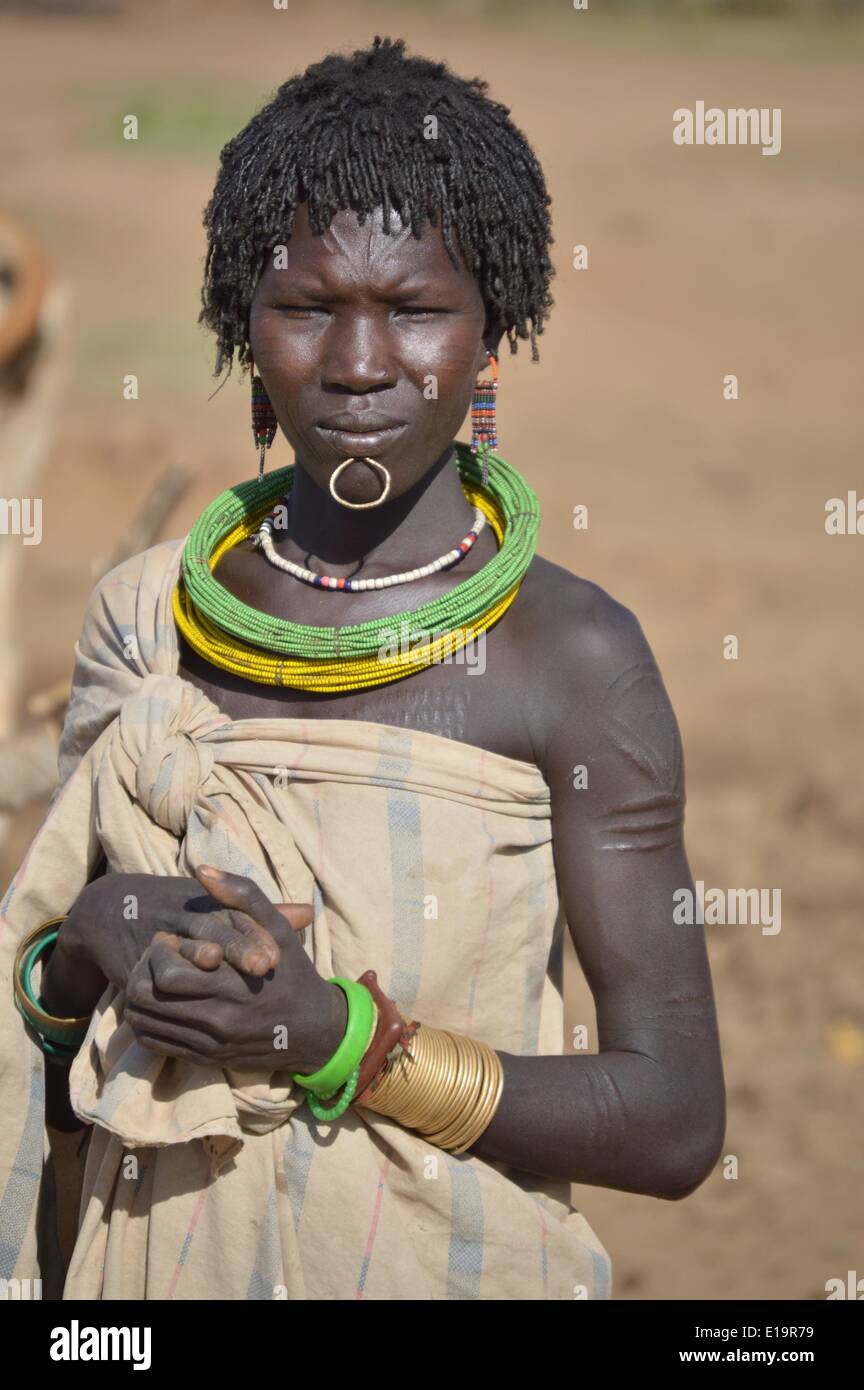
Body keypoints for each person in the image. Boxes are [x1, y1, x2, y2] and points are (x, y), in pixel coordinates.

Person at [0, 34, 724, 1301]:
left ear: (493, 324)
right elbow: (45, 1043)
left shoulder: (573, 660)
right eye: (306, 306)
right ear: (241, 322)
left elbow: (671, 1118)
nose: (357, 366)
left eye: (415, 310)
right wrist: (95, 939)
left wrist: (336, 1039)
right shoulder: (148, 620)